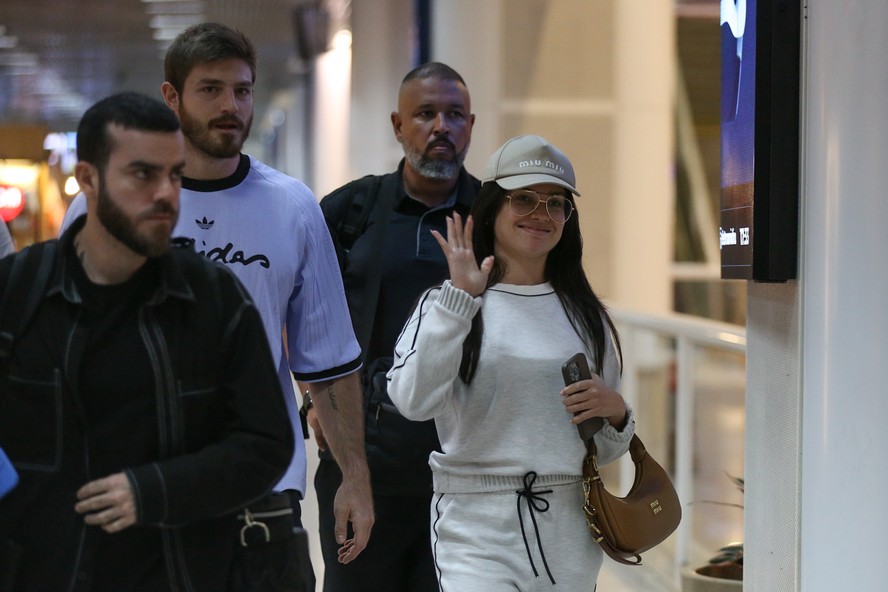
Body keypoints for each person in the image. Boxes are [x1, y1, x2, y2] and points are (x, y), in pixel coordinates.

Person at [60, 22, 375, 571]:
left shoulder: (293, 208)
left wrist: (355, 479)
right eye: (211, 89)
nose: (231, 105)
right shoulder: (104, 209)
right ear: (171, 97)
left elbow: (327, 365)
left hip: (260, 494)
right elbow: (62, 350)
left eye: (243, 90)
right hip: (132, 489)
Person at [0, 92, 294, 591]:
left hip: (176, 569)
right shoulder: (19, 290)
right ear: (88, 179)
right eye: (143, 174)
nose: (167, 194)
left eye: (175, 174)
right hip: (42, 571)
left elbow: (266, 443)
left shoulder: (213, 299)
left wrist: (153, 490)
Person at [387, 135, 636, 591]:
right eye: (523, 198)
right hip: (475, 529)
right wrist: (459, 301)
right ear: (493, 207)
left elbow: (605, 450)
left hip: (570, 532)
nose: (541, 215)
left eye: (556, 203)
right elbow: (413, 401)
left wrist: (616, 411)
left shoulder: (589, 317)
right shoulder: (448, 304)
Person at [307, 62, 477, 591]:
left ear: (471, 124)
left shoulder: (496, 216)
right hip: (364, 463)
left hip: (466, 471)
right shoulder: (348, 212)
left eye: (454, 115)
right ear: (398, 125)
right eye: (425, 114)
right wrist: (314, 400)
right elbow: (306, 319)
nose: (441, 127)